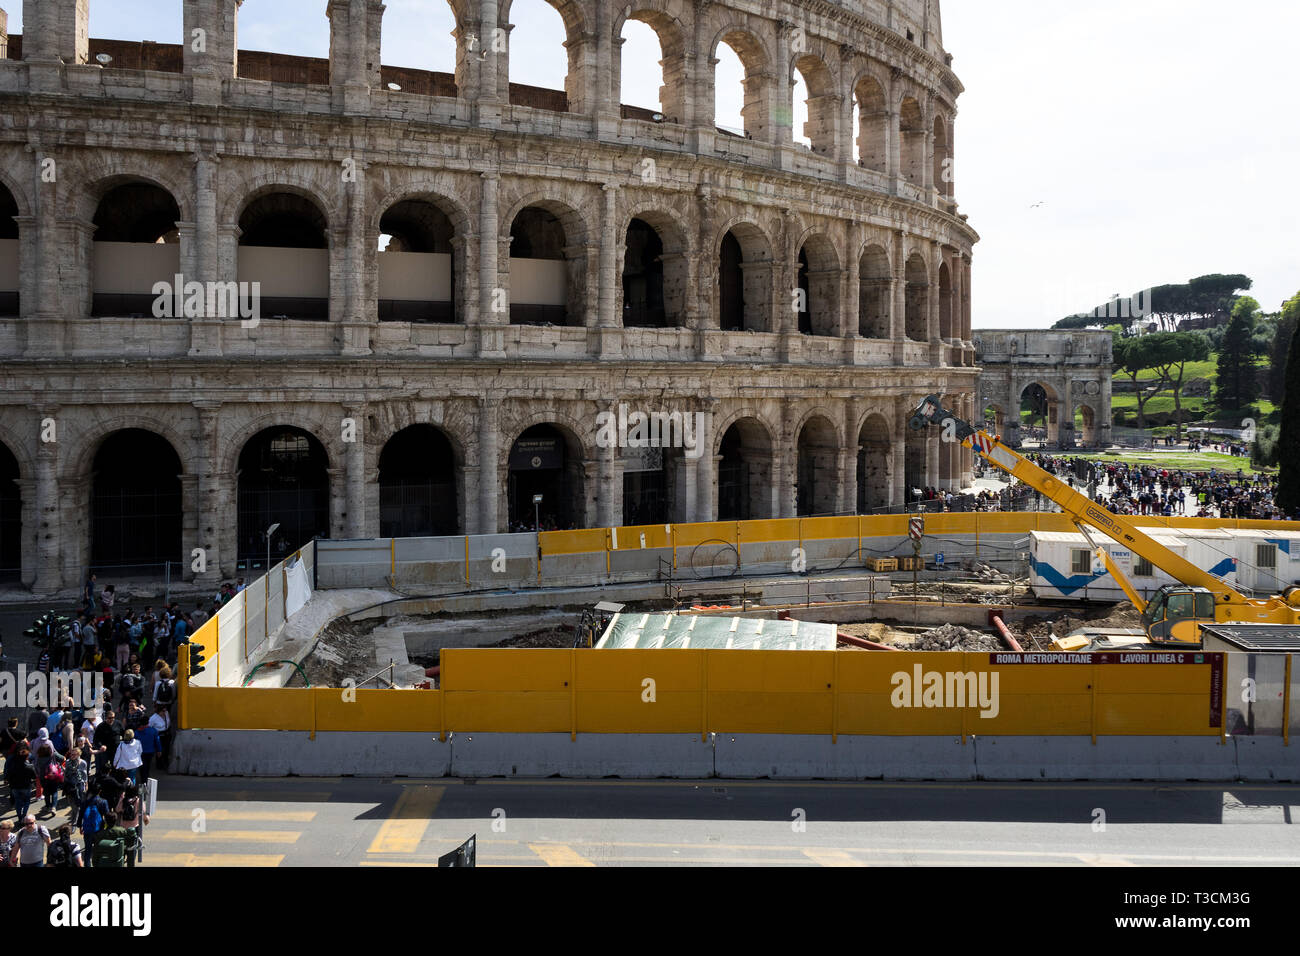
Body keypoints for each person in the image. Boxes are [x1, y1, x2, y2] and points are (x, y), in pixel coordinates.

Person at [4, 745, 35, 821]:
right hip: (26, 786)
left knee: (18, 802)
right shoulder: (30, 766)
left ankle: (19, 817)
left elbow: (8, 775)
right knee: (26, 801)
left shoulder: (12, 766)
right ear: (26, 757)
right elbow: (34, 776)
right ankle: (24, 816)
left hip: (15, 787)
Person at [92, 708, 124, 780]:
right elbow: (96, 739)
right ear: (106, 718)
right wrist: (101, 746)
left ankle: (114, 780)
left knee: (115, 766)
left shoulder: (118, 724)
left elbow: (124, 733)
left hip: (115, 750)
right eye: (110, 718)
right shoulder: (101, 726)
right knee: (103, 766)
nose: (111, 719)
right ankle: (102, 780)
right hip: (105, 751)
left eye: (113, 717)